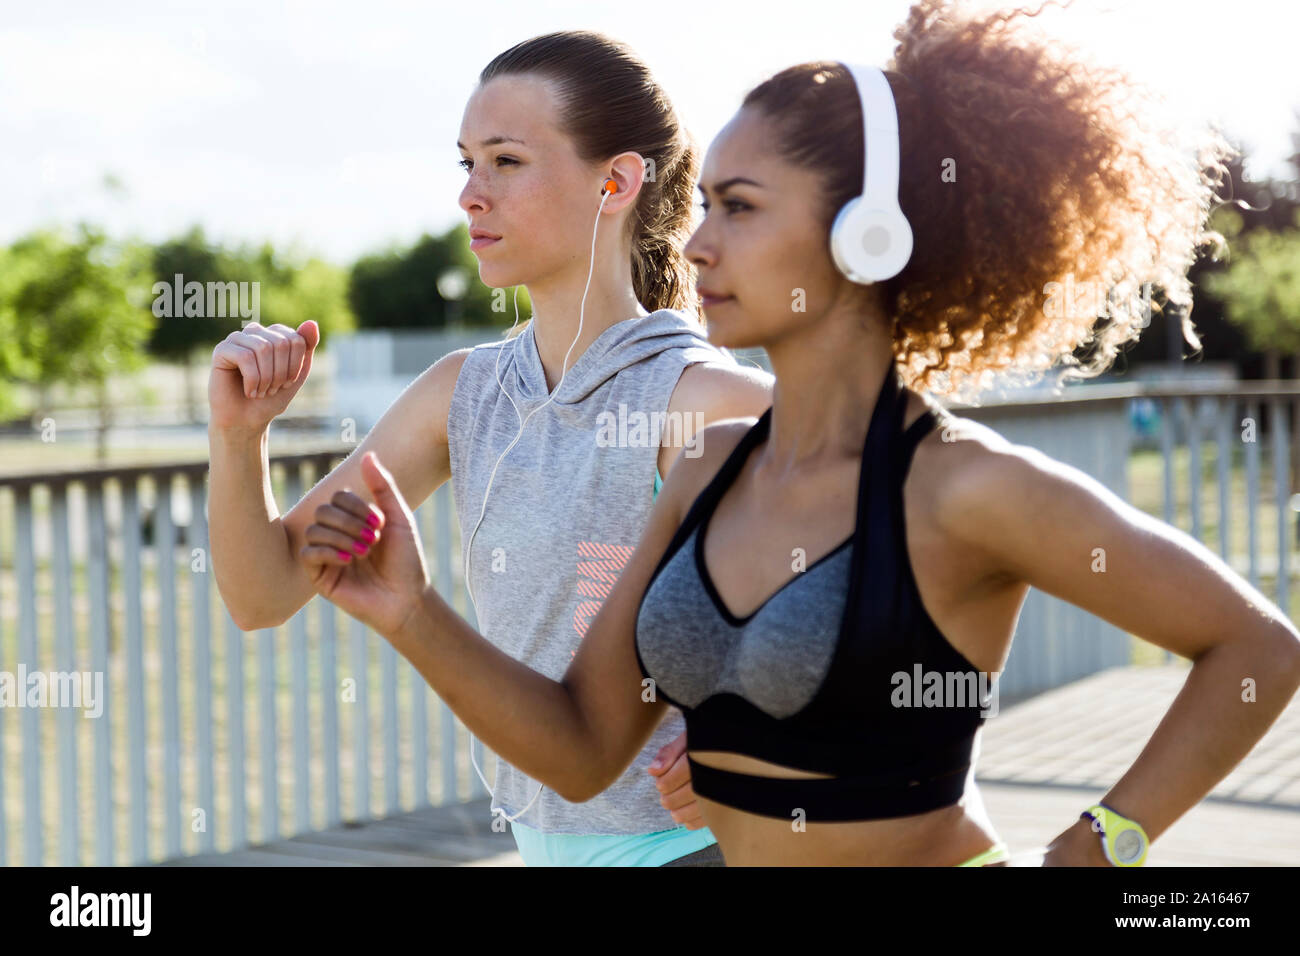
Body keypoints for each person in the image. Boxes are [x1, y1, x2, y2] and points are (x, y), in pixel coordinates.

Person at [295, 0, 1300, 865]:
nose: (694, 243)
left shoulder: (959, 484)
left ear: (867, 233)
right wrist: (413, 611)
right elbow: (581, 744)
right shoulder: (709, 470)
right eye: (703, 207)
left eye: (738, 207)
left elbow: (1255, 647)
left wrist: (1093, 845)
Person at [206, 30, 773, 866]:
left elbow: (891, 594)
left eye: (506, 161)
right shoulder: (460, 395)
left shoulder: (700, 398)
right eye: (466, 163)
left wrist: (767, 733)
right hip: (542, 846)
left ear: (615, 182)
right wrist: (238, 437)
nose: (471, 195)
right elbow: (264, 595)